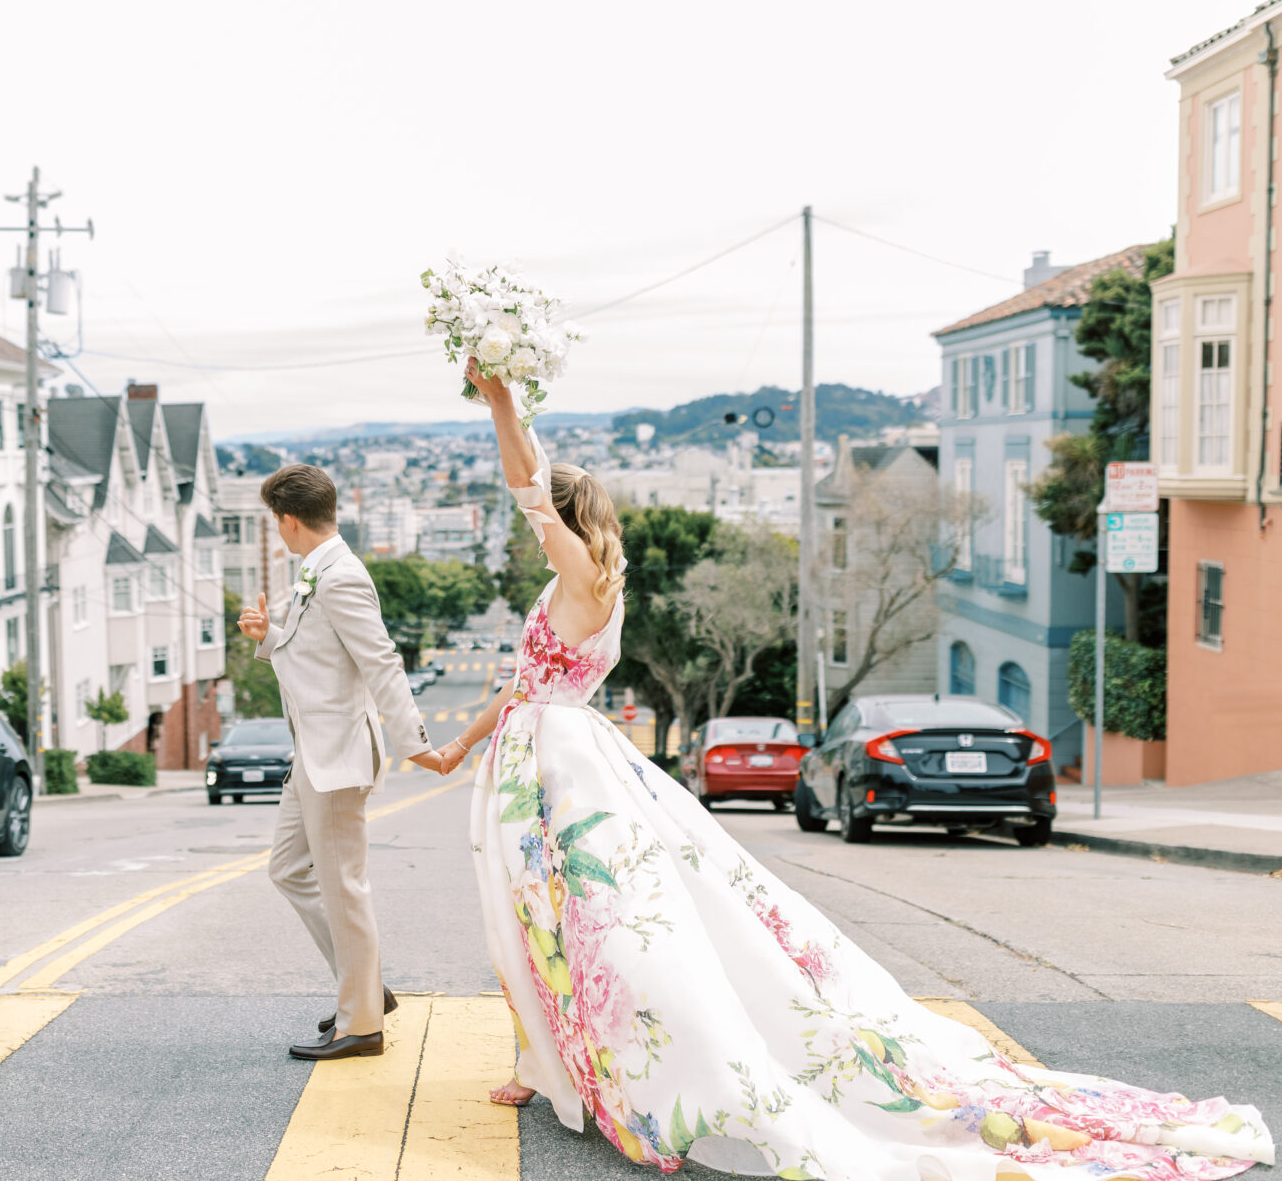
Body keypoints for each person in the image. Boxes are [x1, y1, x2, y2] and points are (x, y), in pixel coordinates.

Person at [436, 359, 1273, 1179]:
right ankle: (545, 1063)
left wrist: (503, 402)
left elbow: (527, 485)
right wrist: (460, 744)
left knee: (583, 920)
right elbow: (519, 687)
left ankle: (627, 1065)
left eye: (544, 515)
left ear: (569, 518)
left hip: (564, 768)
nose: (530, 524)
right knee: (527, 917)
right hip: (535, 756)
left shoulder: (583, 579)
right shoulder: (567, 584)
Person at [238, 463, 445, 1063]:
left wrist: (418, 745)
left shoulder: (339, 576)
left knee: (345, 888)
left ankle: (362, 1022)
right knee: (288, 869)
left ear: (288, 520)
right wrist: (270, 635)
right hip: (313, 754)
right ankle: (367, 984)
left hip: (335, 759)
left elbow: (381, 662)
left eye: (275, 522)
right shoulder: (317, 570)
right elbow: (316, 655)